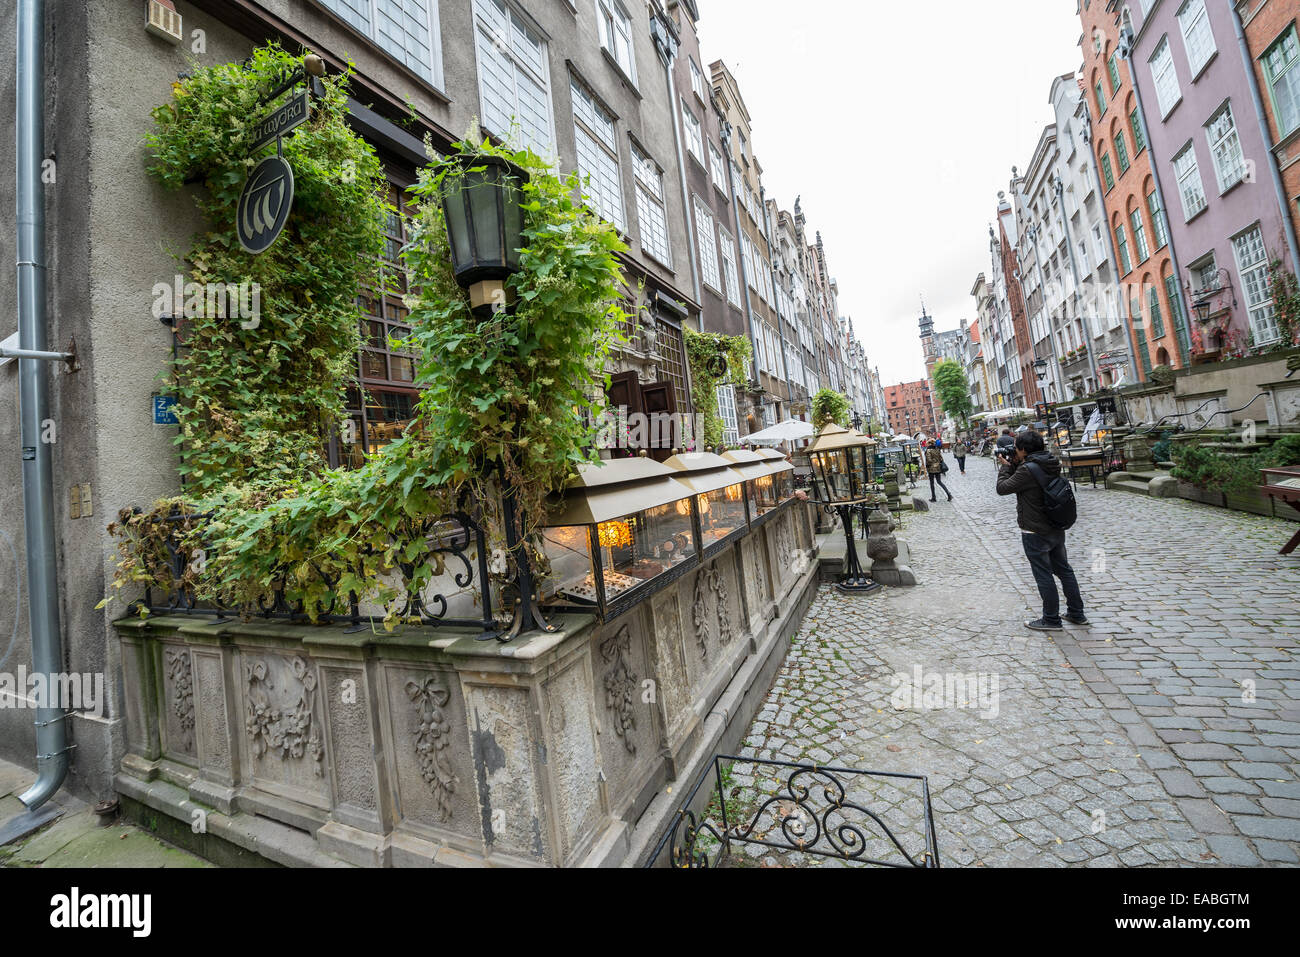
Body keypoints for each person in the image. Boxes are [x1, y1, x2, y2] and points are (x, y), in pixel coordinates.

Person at [995, 430, 1087, 631]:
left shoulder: (1027, 469)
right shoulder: (1050, 462)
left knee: (1043, 573)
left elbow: (1002, 488)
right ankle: (1077, 613)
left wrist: (1005, 467)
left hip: (1035, 530)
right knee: (1064, 570)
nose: (1015, 451)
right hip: (1055, 525)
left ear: (1025, 450)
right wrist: (1017, 463)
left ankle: (1051, 619)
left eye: (1017, 448)